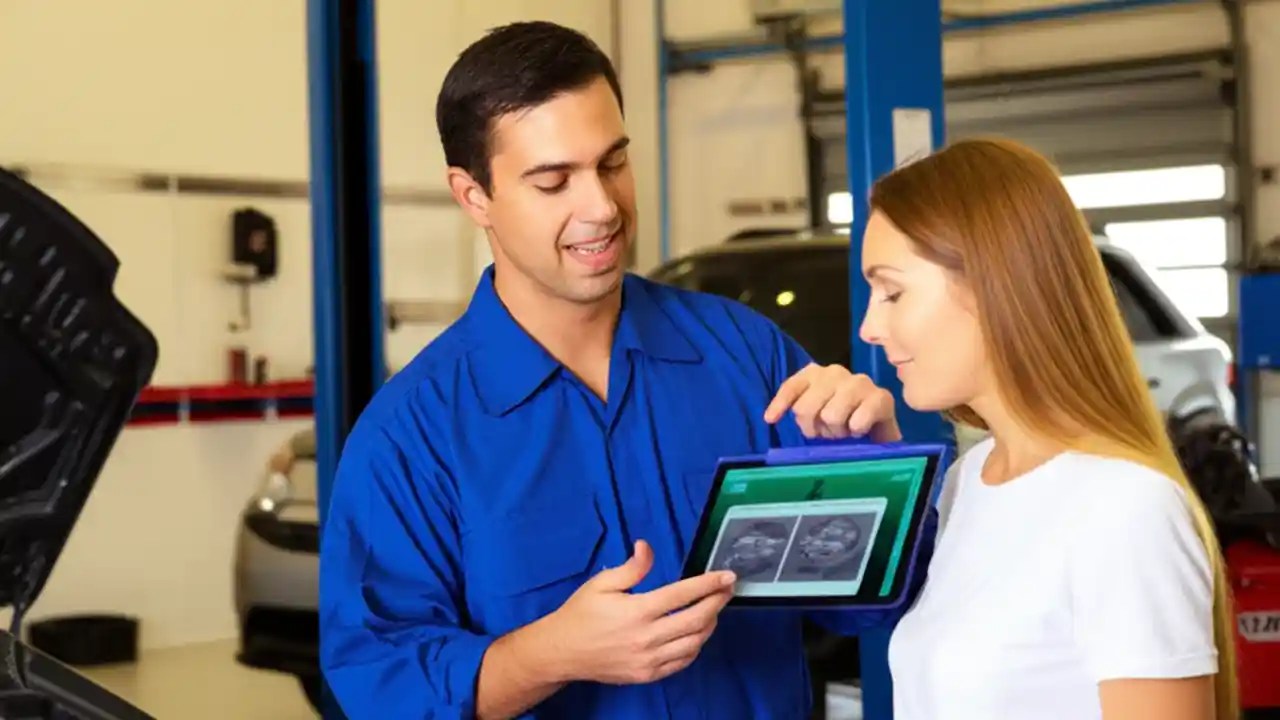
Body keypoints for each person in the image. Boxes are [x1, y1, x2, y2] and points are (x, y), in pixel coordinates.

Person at [319, 21, 915, 719]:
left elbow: (863, 606)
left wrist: (879, 474)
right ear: (473, 195)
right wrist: (547, 656)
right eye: (553, 181)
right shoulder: (410, 438)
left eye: (612, 163)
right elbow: (384, 682)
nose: (601, 207)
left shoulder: (746, 356)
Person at [859, 138, 1238, 720]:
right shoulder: (970, 481)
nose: (870, 326)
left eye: (892, 292)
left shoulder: (1124, 507)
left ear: (992, 285)